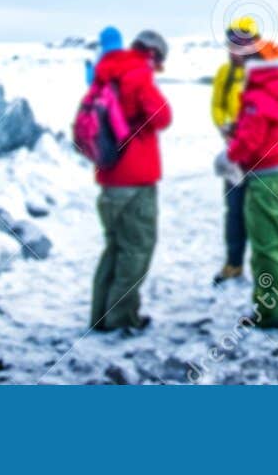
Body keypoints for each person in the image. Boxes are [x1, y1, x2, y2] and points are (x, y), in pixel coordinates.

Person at [87, 27, 172, 333]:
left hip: (109, 178)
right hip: (135, 180)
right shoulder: (138, 74)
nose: (157, 69)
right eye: (158, 62)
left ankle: (100, 316)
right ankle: (122, 318)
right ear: (152, 54)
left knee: (115, 248)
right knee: (136, 249)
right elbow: (162, 116)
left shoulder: (105, 71)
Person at [225, 39, 278, 330]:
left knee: (264, 247)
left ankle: (269, 312)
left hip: (265, 177)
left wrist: (230, 155)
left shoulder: (258, 97)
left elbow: (250, 141)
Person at [209, 17, 278, 285]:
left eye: (242, 42)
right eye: (232, 42)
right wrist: (224, 127)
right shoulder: (224, 74)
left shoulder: (265, 74)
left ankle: (267, 269)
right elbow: (217, 105)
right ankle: (234, 263)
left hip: (263, 158)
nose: (235, 48)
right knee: (234, 210)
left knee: (264, 212)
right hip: (234, 156)